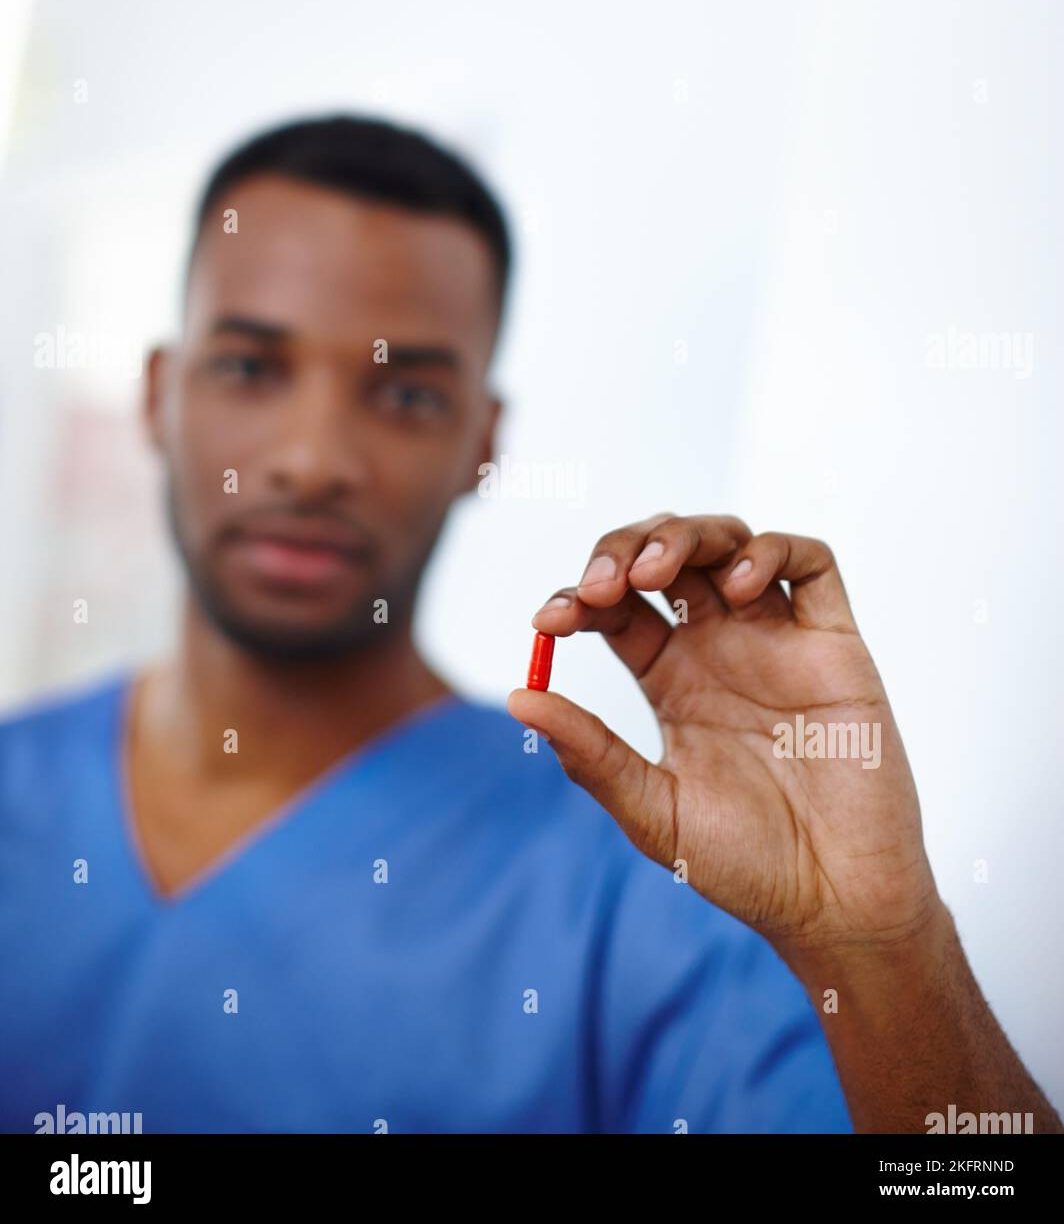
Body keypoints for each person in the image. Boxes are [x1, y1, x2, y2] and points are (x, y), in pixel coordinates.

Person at [0, 116, 1058, 1135]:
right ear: (156, 393)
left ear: (482, 441)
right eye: (248, 367)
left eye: (405, 393)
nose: (311, 457)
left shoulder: (646, 898)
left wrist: (879, 948)